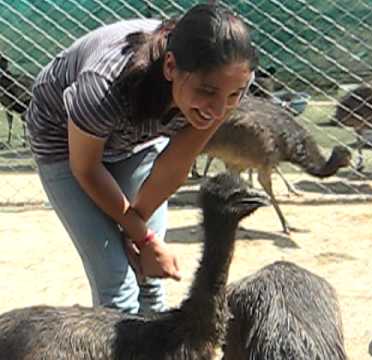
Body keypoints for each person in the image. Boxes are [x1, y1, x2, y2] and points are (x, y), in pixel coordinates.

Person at [25, 3, 257, 315]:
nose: (219, 110)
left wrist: (136, 234)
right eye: (207, 91)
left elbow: (176, 163)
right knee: (117, 287)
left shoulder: (227, 83)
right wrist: (144, 236)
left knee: (149, 280)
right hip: (64, 146)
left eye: (233, 96)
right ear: (171, 67)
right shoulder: (104, 83)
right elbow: (86, 168)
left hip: (135, 142)